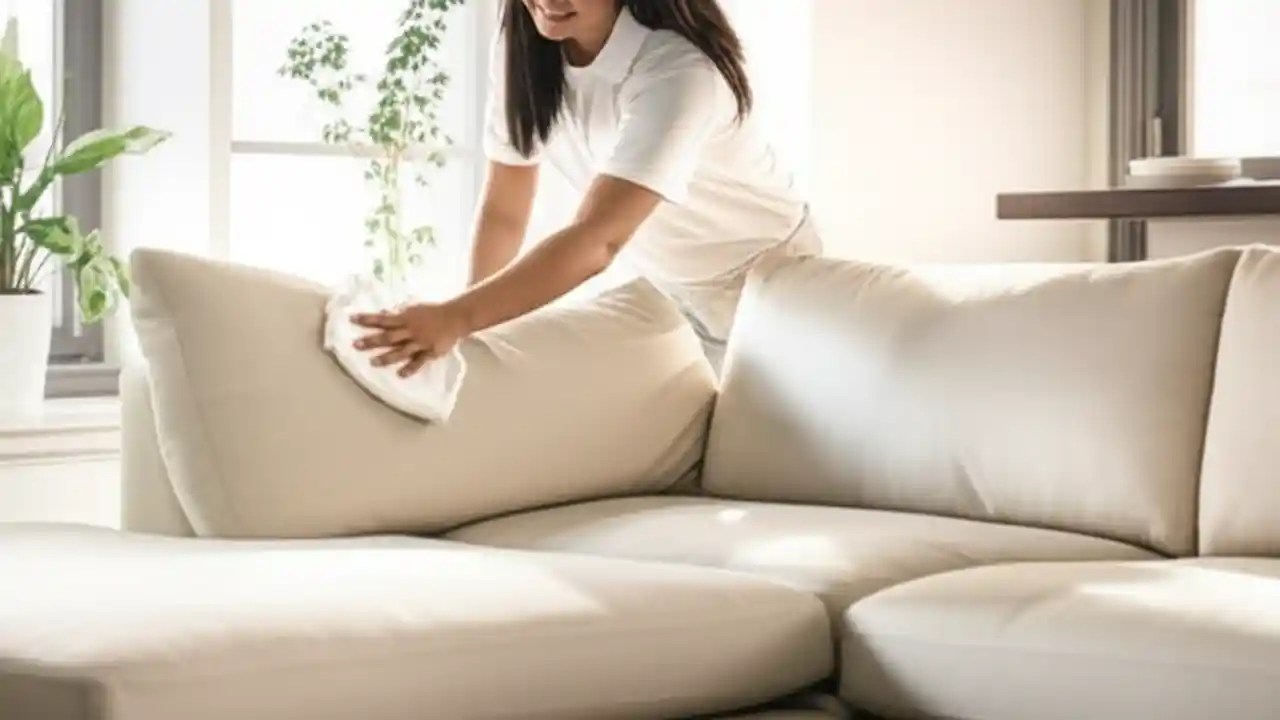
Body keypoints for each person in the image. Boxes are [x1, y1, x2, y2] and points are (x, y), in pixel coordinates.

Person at [352, 0, 821, 375]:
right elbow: (505, 209)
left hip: (773, 288)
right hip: (667, 288)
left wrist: (457, 317)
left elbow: (597, 239)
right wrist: (467, 330)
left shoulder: (679, 74)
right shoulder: (525, 44)